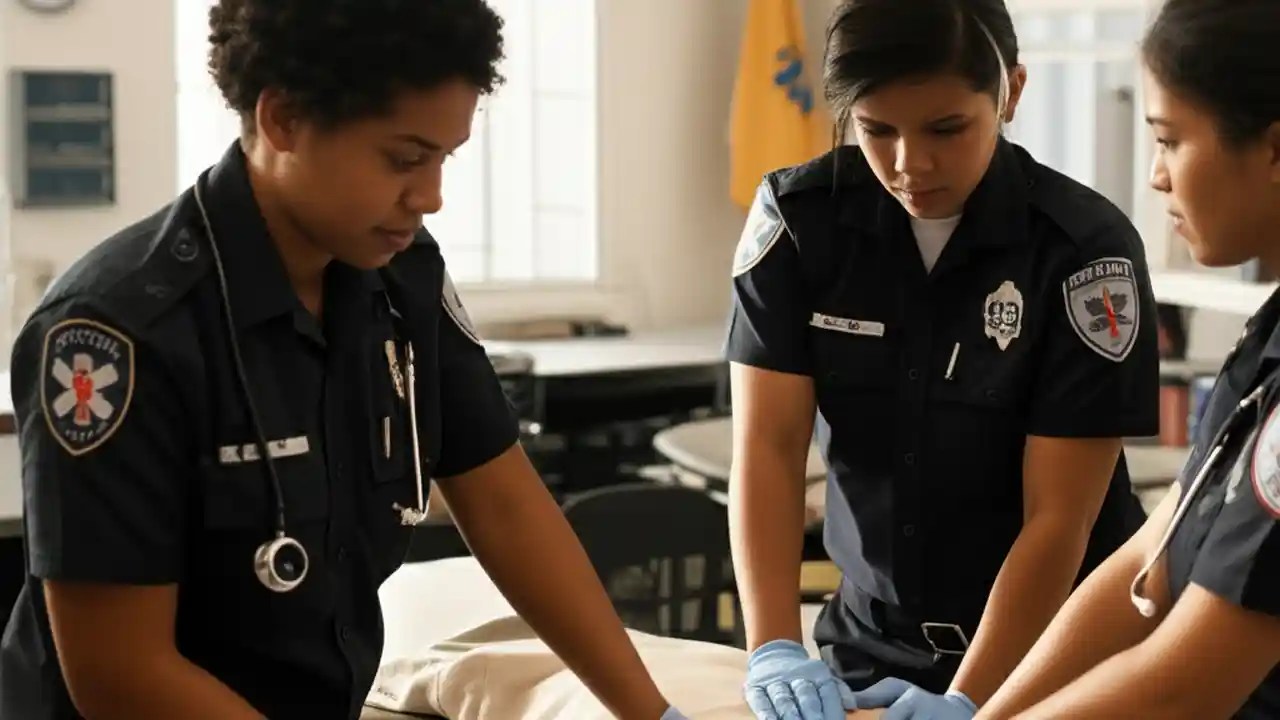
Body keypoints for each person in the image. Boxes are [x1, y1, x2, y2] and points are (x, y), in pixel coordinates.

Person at [0, 1, 690, 719]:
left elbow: (509, 510)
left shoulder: (401, 279)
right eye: (404, 159)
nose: (432, 197)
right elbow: (122, 675)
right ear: (284, 120)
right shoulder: (114, 333)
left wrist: (649, 712)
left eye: (445, 159)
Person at [724, 0, 1162, 718]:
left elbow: (1058, 519)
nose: (909, 164)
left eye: (946, 129)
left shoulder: (1082, 251)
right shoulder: (799, 223)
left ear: (1010, 93)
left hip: (1052, 650)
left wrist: (970, 699)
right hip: (866, 645)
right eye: (877, 130)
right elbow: (768, 450)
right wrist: (773, 646)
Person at [975, 1, 1280, 717]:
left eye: (1171, 140)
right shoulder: (1266, 340)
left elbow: (1185, 687)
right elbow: (1149, 565)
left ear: (1273, 150)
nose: (1156, 176)